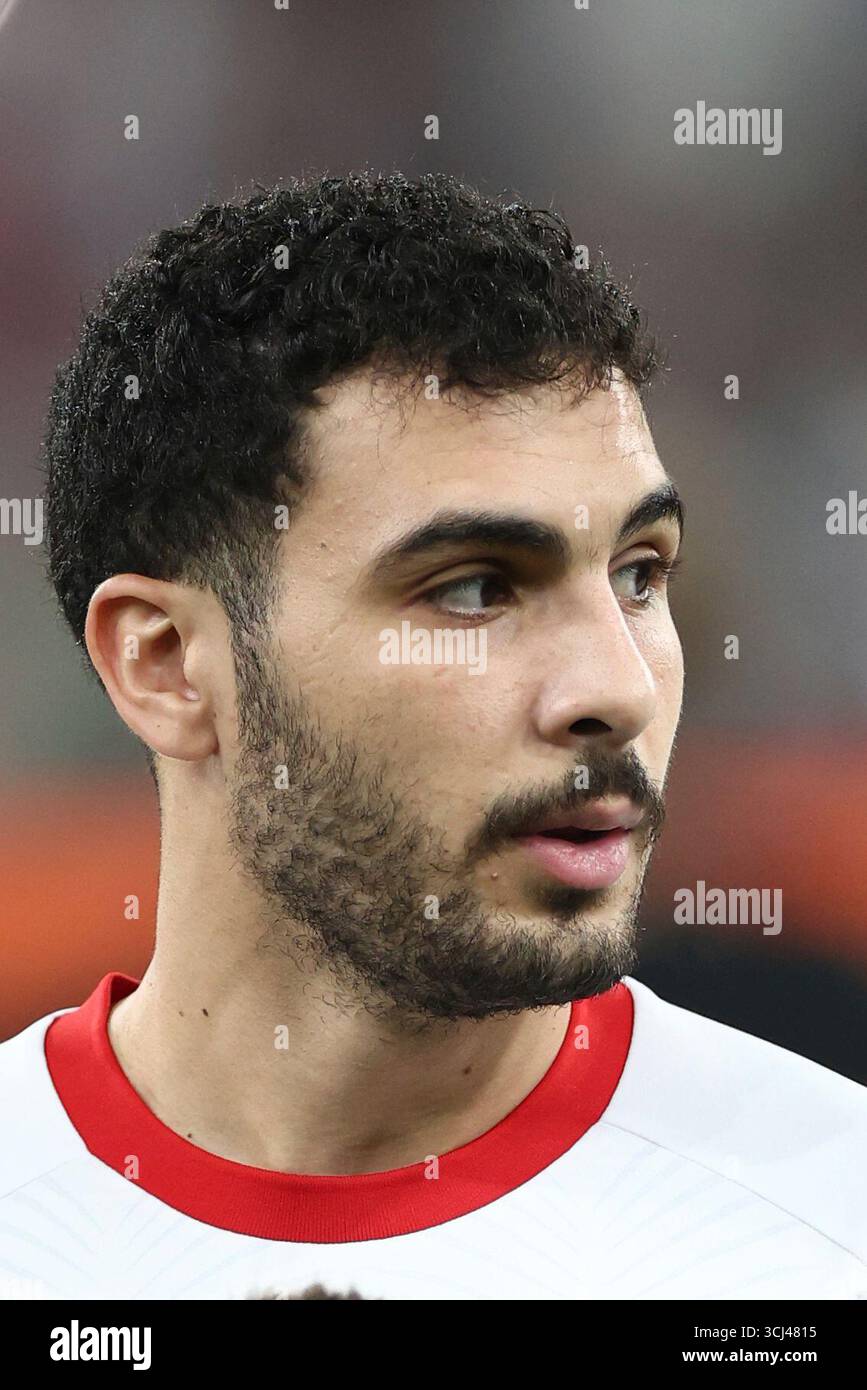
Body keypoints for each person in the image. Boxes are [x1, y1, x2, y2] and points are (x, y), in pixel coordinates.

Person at [1, 172, 864, 1300]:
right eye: (472, 591)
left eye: (641, 573)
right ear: (164, 663)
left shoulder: (827, 1226)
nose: (617, 689)